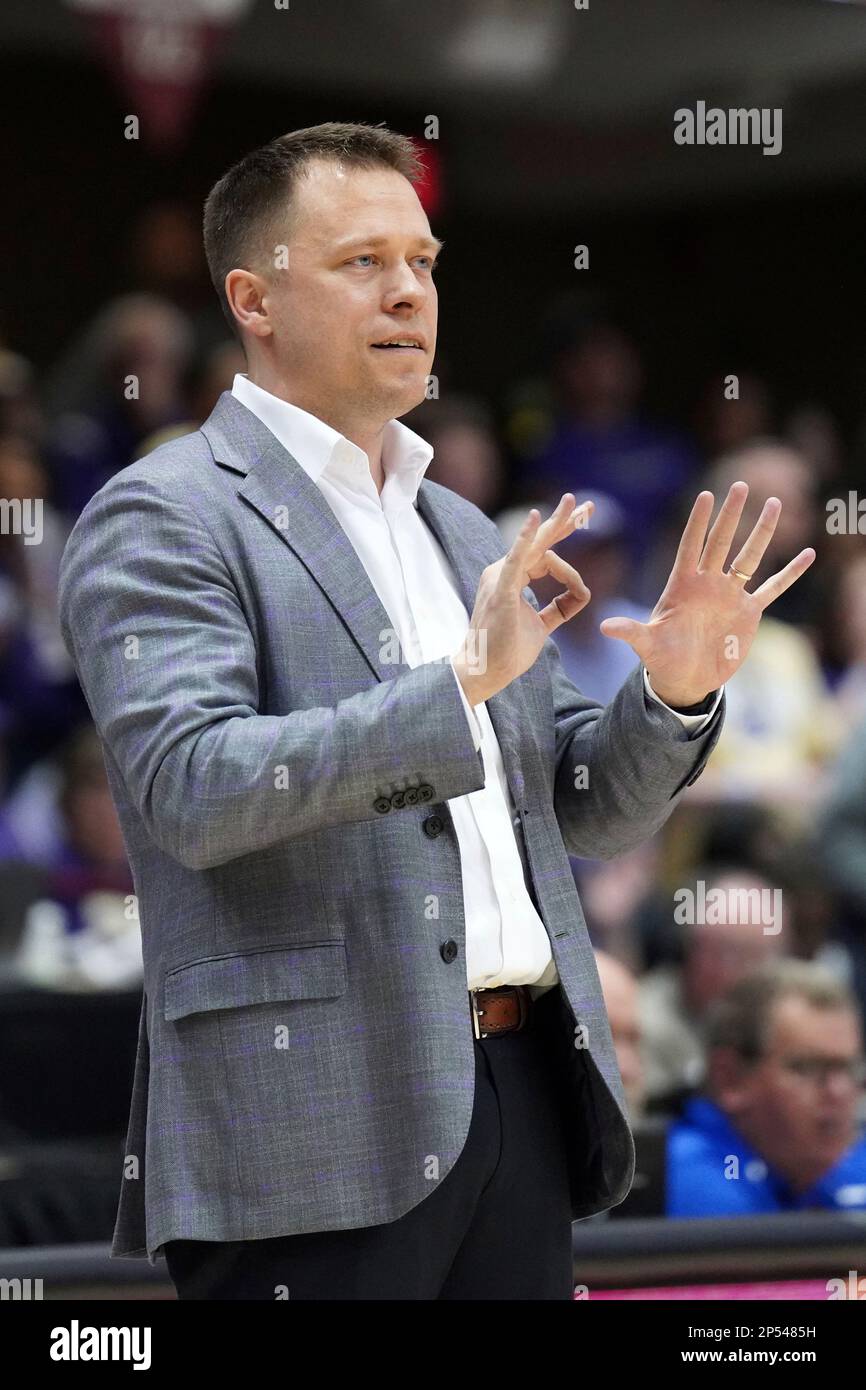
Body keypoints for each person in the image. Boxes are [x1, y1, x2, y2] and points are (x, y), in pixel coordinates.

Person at [58, 121, 814, 1300]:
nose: (410, 290)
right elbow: (192, 788)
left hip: (516, 1092)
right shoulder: (164, 513)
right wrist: (456, 681)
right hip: (312, 1116)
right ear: (254, 297)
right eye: (364, 262)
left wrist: (673, 687)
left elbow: (578, 808)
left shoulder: (457, 524)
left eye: (424, 261)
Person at [666, 961, 866, 1216]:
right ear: (731, 1079)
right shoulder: (694, 1178)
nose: (837, 1092)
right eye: (806, 1068)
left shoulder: (811, 1164)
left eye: (847, 1068)